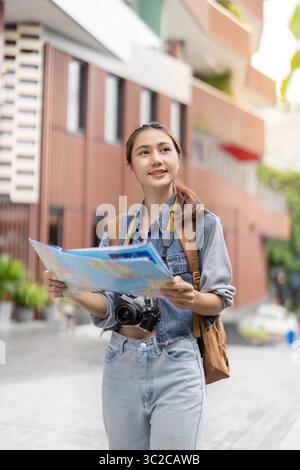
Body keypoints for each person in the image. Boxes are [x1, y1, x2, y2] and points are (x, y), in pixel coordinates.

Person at [44, 122, 236, 450]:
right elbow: (109, 305)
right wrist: (73, 289)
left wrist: (191, 299)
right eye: (144, 153)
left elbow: (220, 299)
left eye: (164, 150)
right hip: (121, 364)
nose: (155, 159)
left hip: (177, 363)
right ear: (131, 166)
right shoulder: (117, 227)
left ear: (178, 158)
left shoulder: (203, 223)